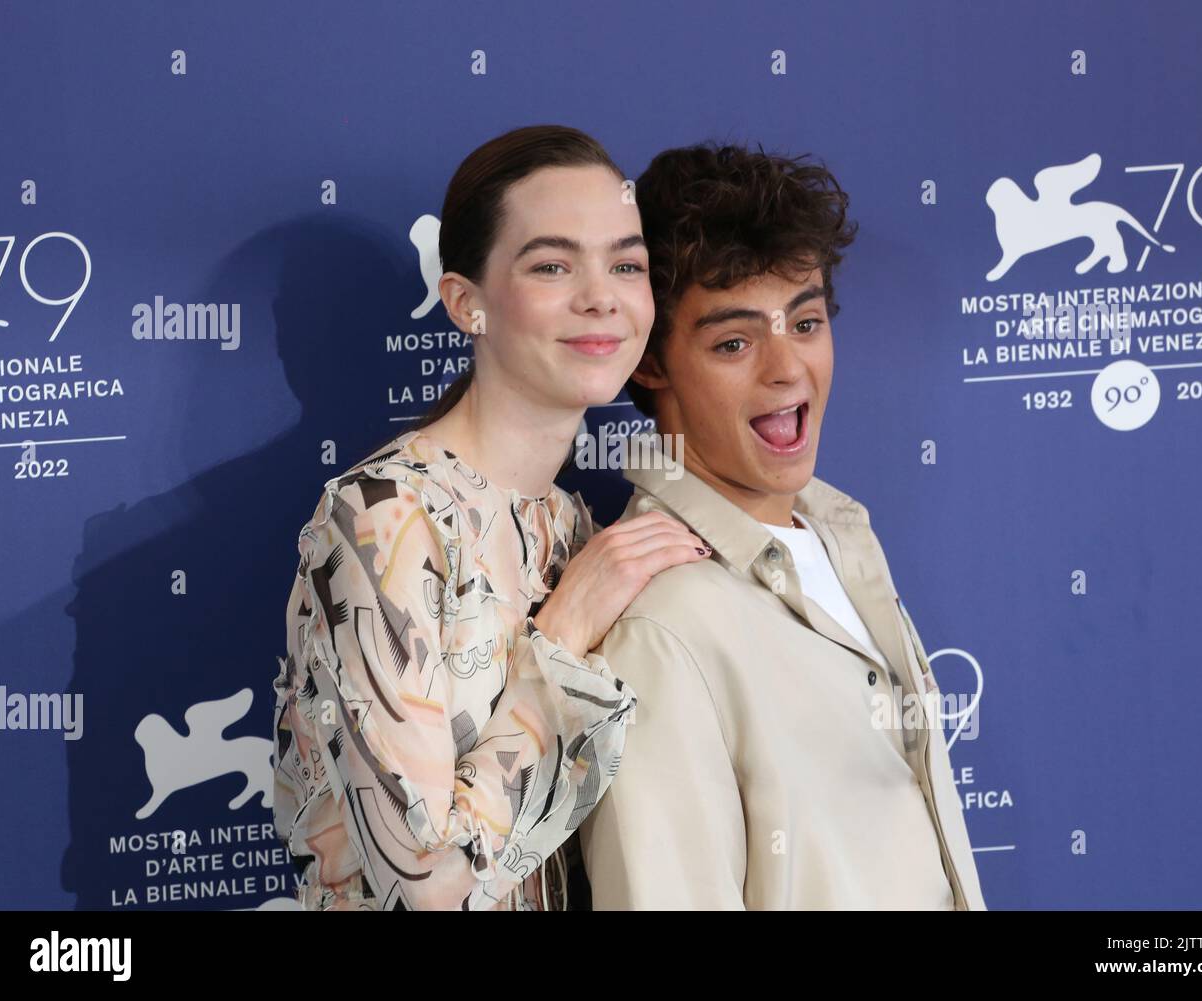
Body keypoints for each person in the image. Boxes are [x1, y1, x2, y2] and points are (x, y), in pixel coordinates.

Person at [270, 125, 711, 911]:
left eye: (626, 263)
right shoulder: (381, 519)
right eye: (551, 264)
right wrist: (562, 638)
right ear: (465, 303)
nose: (601, 295)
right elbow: (425, 890)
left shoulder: (577, 526)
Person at [578, 141, 988, 909]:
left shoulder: (838, 535)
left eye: (804, 323)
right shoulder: (663, 626)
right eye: (734, 342)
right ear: (649, 362)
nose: (786, 369)